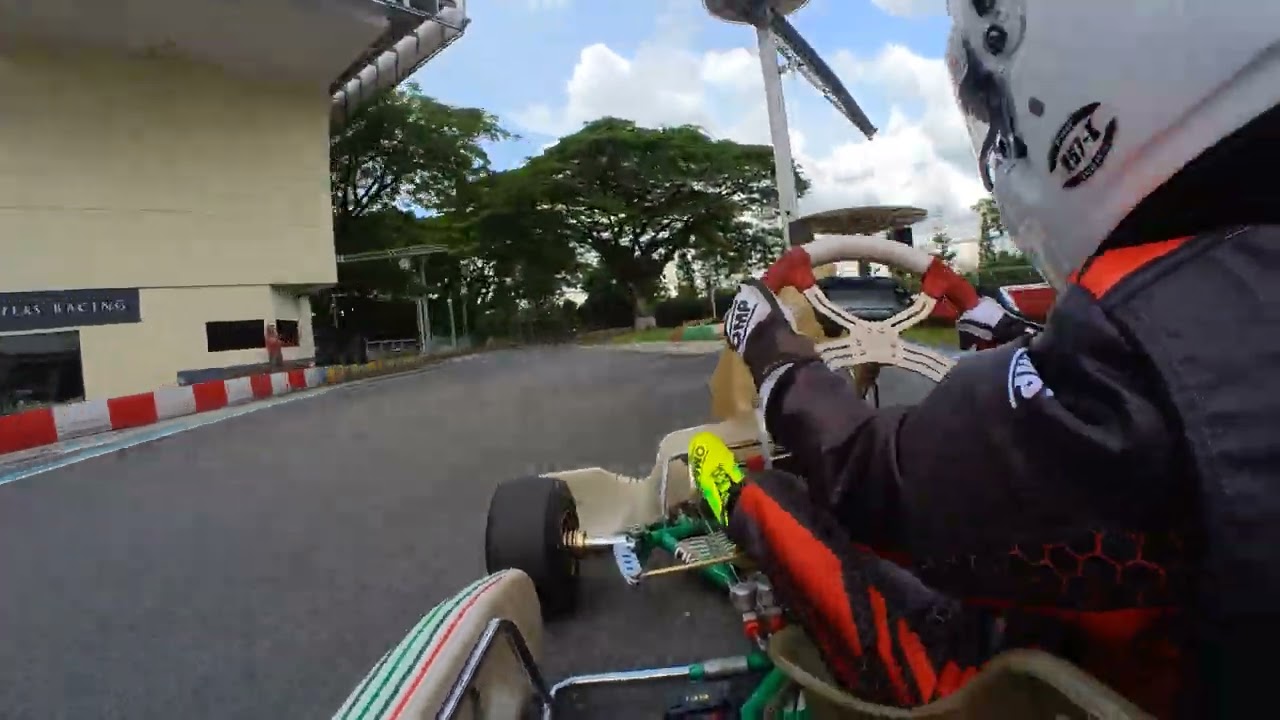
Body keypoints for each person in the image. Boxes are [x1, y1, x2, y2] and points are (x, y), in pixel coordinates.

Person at [710, 2, 1280, 717]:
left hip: (1094, 688)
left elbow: (867, 473)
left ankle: (724, 495)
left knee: (772, 494)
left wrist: (773, 351)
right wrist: (979, 314)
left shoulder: (1127, 363)